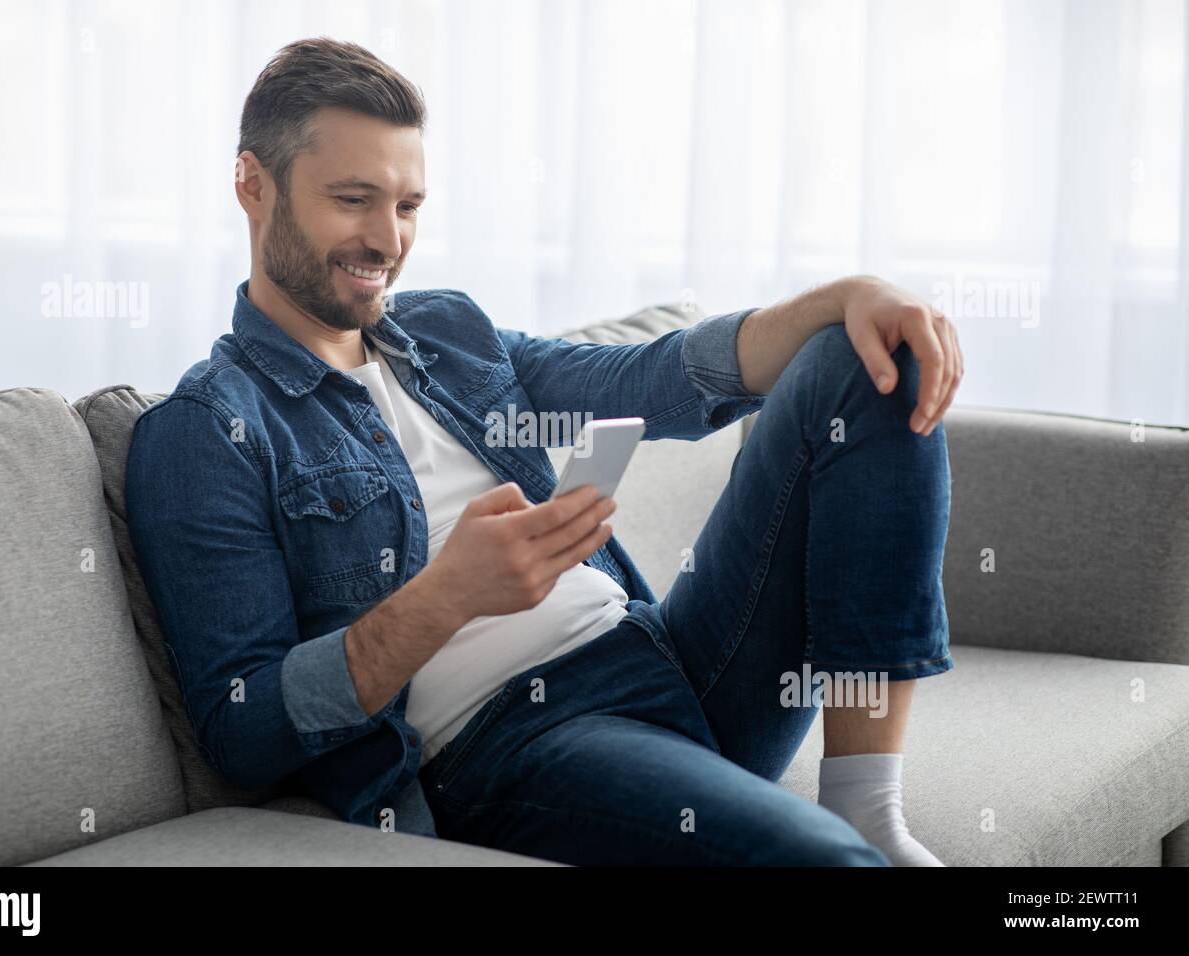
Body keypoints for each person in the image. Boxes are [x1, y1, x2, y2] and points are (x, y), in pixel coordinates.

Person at [126, 36, 963, 867]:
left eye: (409, 205)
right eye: (353, 199)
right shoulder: (206, 430)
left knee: (861, 355)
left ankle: (868, 804)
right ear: (252, 184)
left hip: (669, 656)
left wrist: (850, 295)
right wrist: (448, 597)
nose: (387, 240)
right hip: (521, 740)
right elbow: (243, 727)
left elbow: (643, 380)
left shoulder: (447, 331)